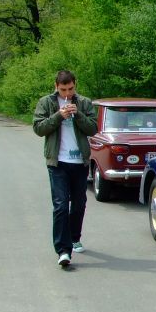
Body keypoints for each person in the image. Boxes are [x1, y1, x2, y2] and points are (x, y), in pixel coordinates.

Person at [32, 70, 98, 268]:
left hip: (79, 162)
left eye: (70, 89)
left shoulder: (84, 103)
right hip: (57, 162)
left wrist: (77, 115)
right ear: (56, 86)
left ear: (75, 85)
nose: (66, 93)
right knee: (61, 205)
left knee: (78, 204)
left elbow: (93, 129)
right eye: (63, 89)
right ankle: (63, 250)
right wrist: (58, 116)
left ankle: (74, 237)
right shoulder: (46, 102)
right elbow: (38, 128)